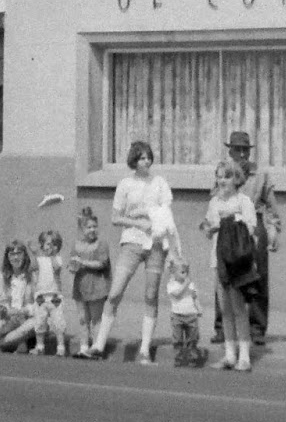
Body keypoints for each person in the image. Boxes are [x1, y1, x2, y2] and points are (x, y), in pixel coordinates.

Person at [93, 140, 174, 362]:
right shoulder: (125, 184)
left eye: (148, 157)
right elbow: (115, 217)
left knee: (150, 295)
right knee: (116, 291)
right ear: (134, 160)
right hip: (131, 242)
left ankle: (145, 349)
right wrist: (138, 222)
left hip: (155, 244)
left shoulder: (159, 183)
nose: (145, 161)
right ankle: (98, 344)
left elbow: (165, 212)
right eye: (141, 158)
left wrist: (154, 222)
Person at [219, 131, 280, 346]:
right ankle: (222, 327)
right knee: (225, 274)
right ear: (230, 150)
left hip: (254, 223)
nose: (242, 154)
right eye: (238, 149)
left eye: (246, 150)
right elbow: (214, 197)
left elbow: (270, 204)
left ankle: (256, 327)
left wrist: (273, 230)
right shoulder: (223, 170)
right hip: (228, 225)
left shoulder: (259, 173)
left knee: (258, 274)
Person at [201, 159, 258, 372]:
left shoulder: (244, 201)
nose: (222, 180)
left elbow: (251, 228)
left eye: (227, 176)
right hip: (219, 260)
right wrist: (208, 228)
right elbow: (209, 226)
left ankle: (244, 355)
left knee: (239, 307)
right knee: (224, 307)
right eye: (219, 176)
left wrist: (231, 220)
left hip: (238, 261)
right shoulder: (214, 202)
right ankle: (229, 354)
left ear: (236, 179)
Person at [67, 207, 110, 354]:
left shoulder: (101, 244)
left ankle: (96, 347)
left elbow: (101, 263)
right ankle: (83, 347)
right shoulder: (77, 244)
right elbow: (72, 264)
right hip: (80, 287)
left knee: (96, 319)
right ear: (81, 229)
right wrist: (73, 266)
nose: (92, 230)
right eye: (88, 227)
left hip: (96, 286)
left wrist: (83, 263)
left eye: (94, 226)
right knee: (82, 319)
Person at [164, 257, 204, 367]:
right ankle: (179, 356)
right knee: (177, 338)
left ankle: (193, 356)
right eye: (182, 272)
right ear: (173, 273)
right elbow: (177, 294)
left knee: (193, 337)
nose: (185, 275)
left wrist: (198, 307)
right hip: (177, 315)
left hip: (191, 314)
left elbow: (194, 297)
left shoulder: (191, 285)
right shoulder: (171, 285)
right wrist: (185, 285)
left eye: (186, 272)